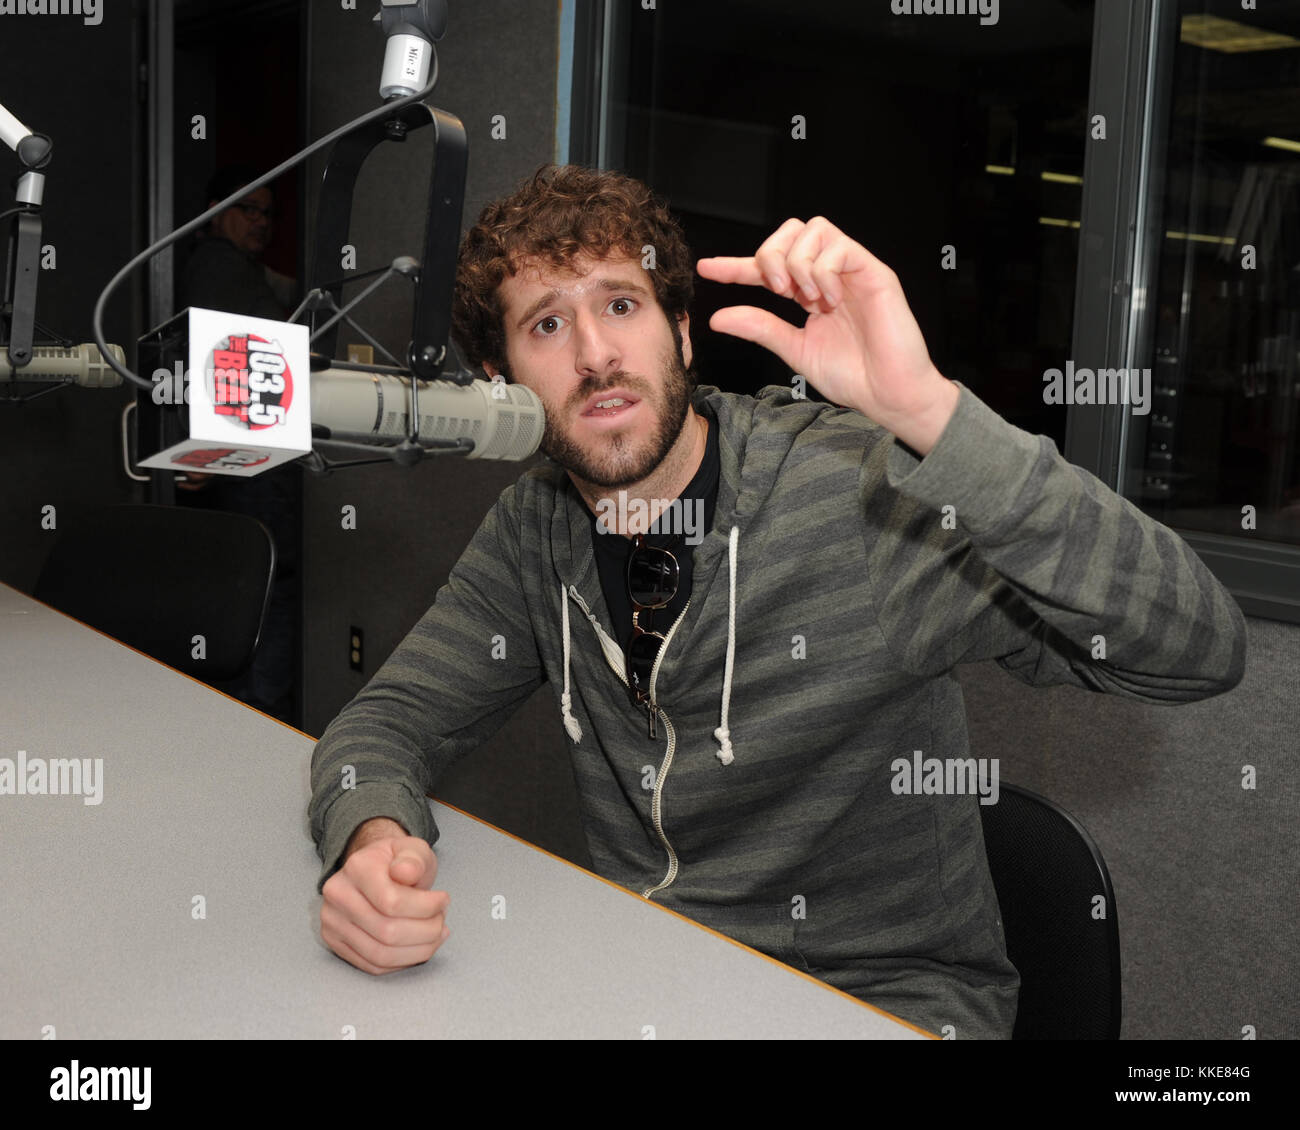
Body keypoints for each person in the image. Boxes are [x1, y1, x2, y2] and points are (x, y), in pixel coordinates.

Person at [307, 164, 1247, 1038]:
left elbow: (1198, 649)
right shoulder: (534, 532)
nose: (594, 354)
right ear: (504, 381)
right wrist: (373, 842)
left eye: (622, 304)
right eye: (547, 325)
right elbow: (385, 724)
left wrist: (930, 415)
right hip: (654, 984)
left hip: (879, 1006)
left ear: (680, 333)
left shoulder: (865, 500)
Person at [177, 165, 302, 725]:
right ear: (214, 211)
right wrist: (206, 447)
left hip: (245, 454)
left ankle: (249, 714)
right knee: (269, 586)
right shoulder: (217, 266)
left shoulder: (233, 269)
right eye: (246, 209)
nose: (260, 222)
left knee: (254, 584)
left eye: (267, 213)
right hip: (248, 456)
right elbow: (243, 349)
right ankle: (261, 717)